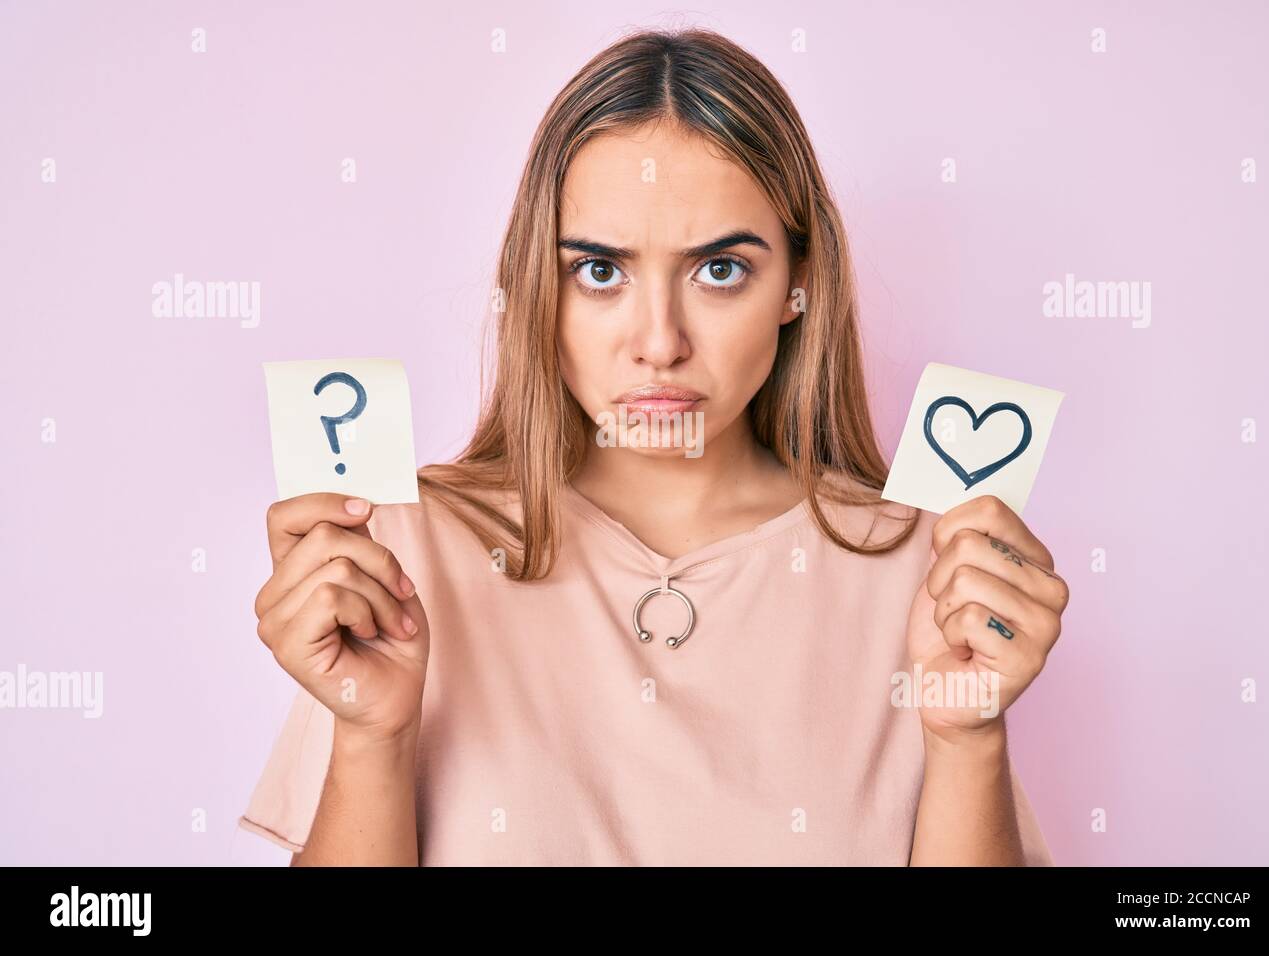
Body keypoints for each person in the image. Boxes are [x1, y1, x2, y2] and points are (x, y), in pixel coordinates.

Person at [240, 28, 1067, 866]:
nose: (660, 342)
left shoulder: (924, 567)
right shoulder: (404, 555)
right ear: (538, 284)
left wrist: (970, 737)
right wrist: (371, 731)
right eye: (600, 271)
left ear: (798, 284)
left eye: (719, 270)